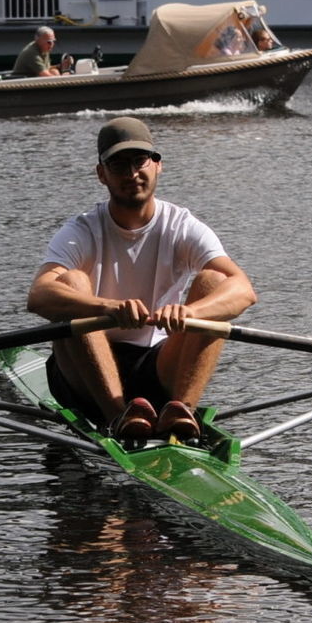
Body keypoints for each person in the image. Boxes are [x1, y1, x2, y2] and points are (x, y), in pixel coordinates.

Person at [27, 117, 257, 441]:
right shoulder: (81, 231)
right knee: (72, 282)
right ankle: (116, 418)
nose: (132, 173)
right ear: (101, 174)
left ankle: (181, 413)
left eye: (139, 161)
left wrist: (191, 314)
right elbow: (38, 295)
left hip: (155, 365)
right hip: (85, 369)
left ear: (157, 165)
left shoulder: (182, 225)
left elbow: (243, 290)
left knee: (215, 282)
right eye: (118, 164)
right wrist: (106, 307)